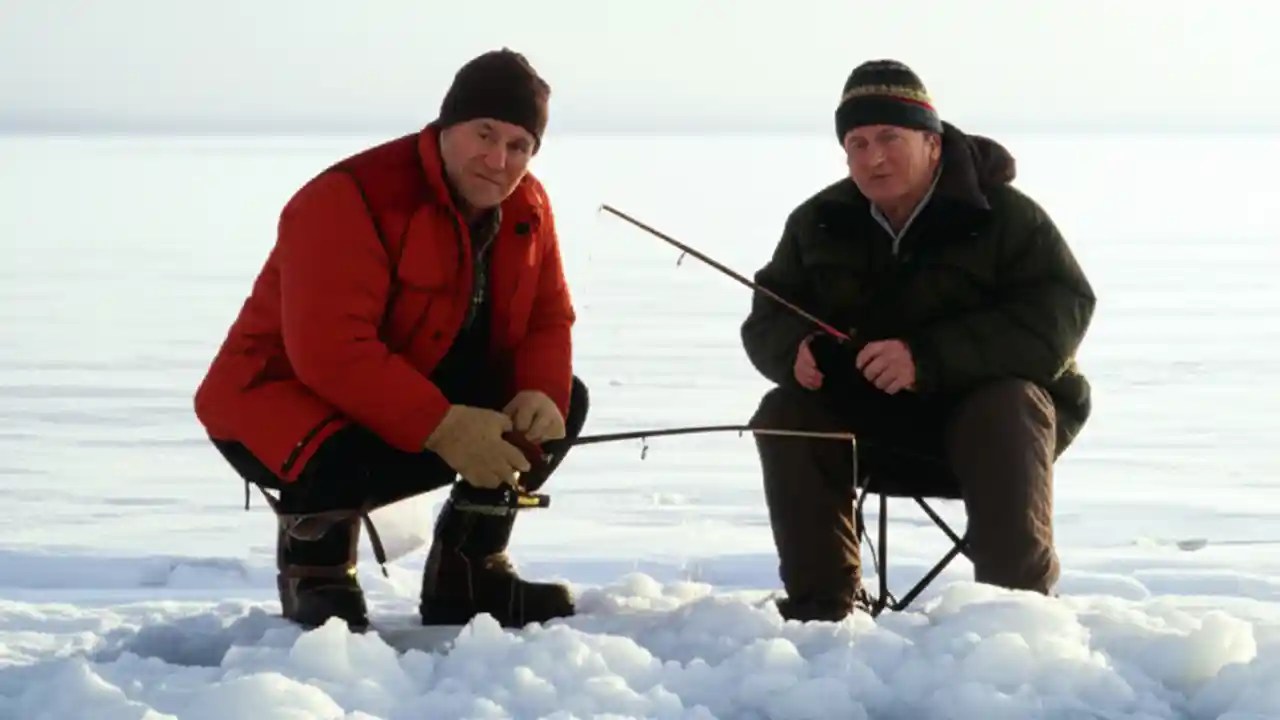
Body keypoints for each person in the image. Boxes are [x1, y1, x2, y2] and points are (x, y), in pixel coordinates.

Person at [193, 48, 588, 632]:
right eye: (484, 134)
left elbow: (547, 318)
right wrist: (446, 426)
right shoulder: (349, 196)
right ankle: (318, 574)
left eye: (519, 146)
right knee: (339, 450)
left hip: (405, 381)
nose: (498, 160)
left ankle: (469, 570)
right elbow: (329, 351)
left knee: (557, 406)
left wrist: (540, 390)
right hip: (272, 396)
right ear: (446, 127)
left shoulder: (528, 204)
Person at [741, 59, 1096, 622]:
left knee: (1007, 404)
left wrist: (926, 359)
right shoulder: (818, 221)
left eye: (889, 137)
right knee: (784, 411)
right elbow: (767, 316)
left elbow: (1057, 316)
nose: (872, 157)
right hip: (870, 427)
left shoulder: (1006, 216)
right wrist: (794, 352)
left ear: (933, 143)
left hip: (990, 433)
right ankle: (821, 610)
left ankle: (1017, 615)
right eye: (856, 143)